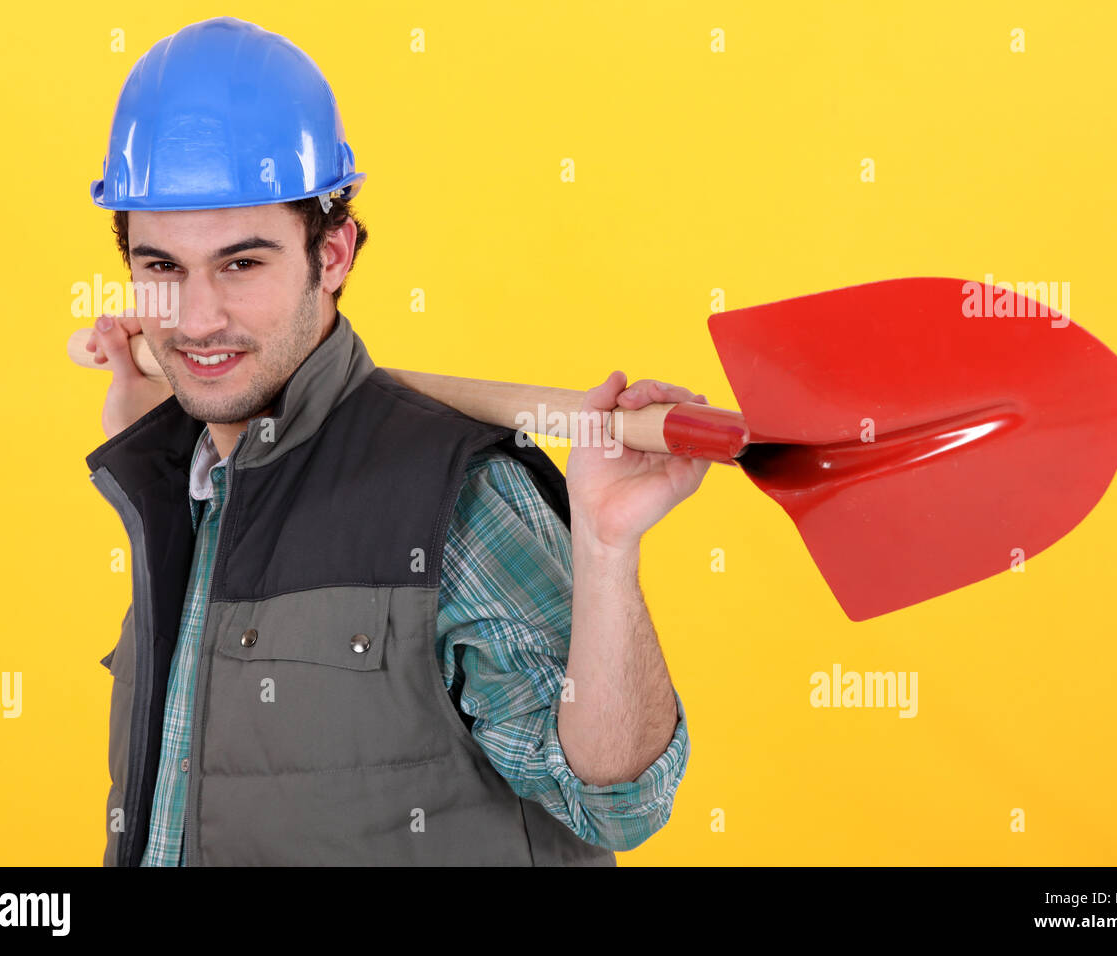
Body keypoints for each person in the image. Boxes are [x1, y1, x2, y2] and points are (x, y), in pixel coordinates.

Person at [84, 16, 710, 865]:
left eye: (242, 265)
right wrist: (152, 422)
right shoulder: (185, 483)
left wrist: (605, 550)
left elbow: (619, 805)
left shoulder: (457, 496)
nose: (198, 319)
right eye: (163, 268)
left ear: (333, 251)